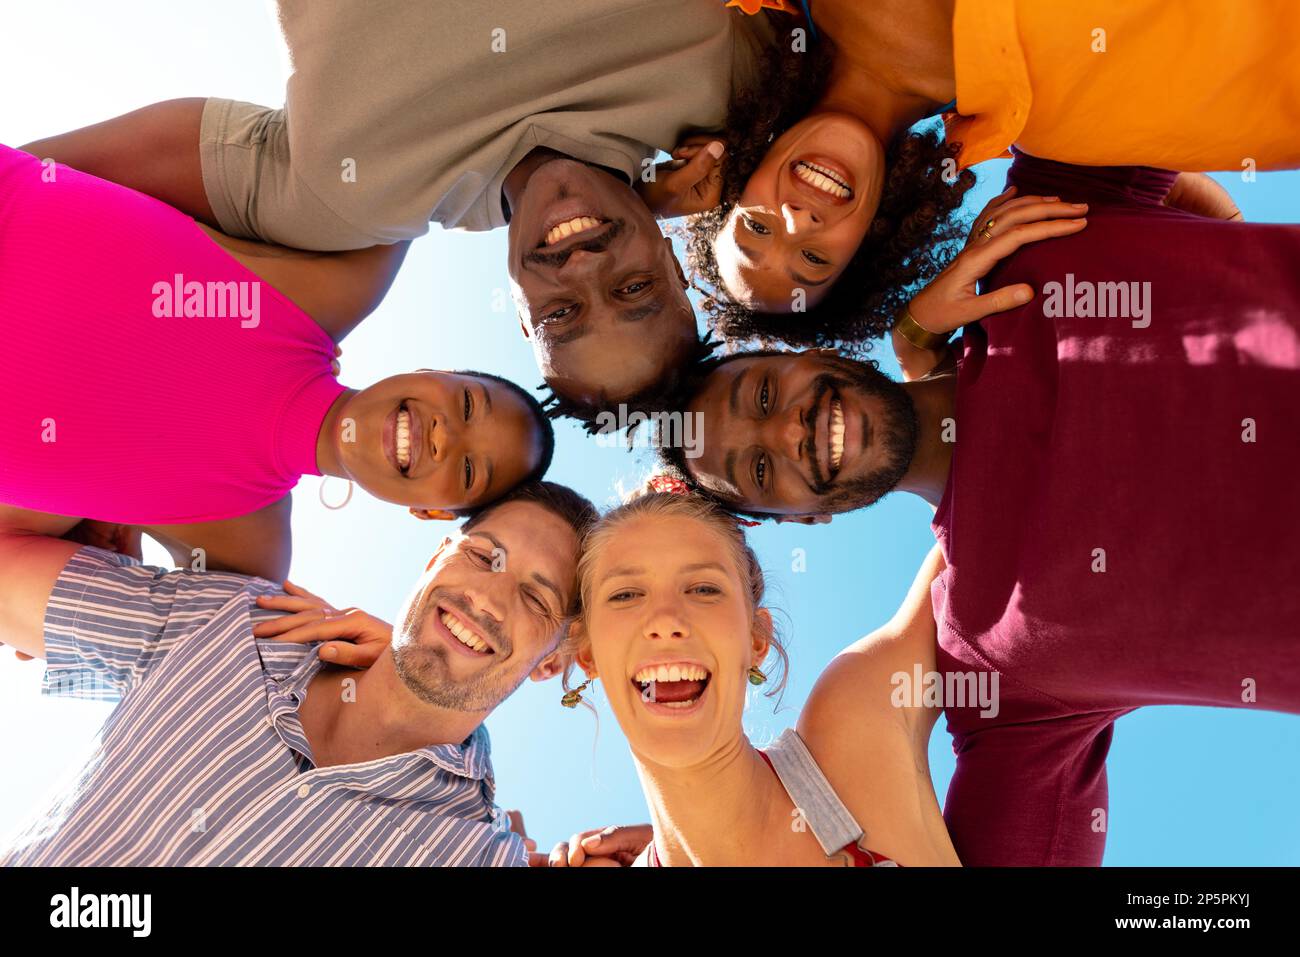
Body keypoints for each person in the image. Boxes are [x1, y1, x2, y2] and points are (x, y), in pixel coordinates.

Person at [657, 151, 1300, 863]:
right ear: (808, 521)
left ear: (805, 352)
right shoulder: (989, 656)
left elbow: (1137, 91)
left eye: (766, 394)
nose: (787, 431)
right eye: (758, 468)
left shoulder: (1031, 232)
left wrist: (1229, 239)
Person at [19, 0, 776, 419]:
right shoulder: (734, 91)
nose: (581, 269)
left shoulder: (347, 200)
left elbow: (39, 184)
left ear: (521, 313)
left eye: (561, 316)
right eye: (633, 289)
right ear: (677, 256)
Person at [0, 481, 649, 866]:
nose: (488, 596)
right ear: (434, 559)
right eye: (483, 555)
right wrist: (110, 501)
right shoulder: (232, 619)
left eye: (536, 599)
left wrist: (678, 843)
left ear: (554, 660)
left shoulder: (474, 852)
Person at [0, 144, 553, 580]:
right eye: (464, 403)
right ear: (432, 372)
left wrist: (89, 552)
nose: (443, 437)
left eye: (467, 470)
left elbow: (181, 666)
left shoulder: (248, 551)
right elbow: (436, 138)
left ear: (430, 514)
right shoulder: (334, 285)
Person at [686, 0, 1300, 347]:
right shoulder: (1070, 127)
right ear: (872, 236)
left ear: (733, 174)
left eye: (755, 230)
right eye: (814, 260)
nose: (797, 220)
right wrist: (918, 345)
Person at [547, 486, 960, 867]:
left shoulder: (856, 726)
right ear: (587, 653)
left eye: (703, 589)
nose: (666, 621)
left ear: (757, 638)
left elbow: (983, 515)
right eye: (626, 595)